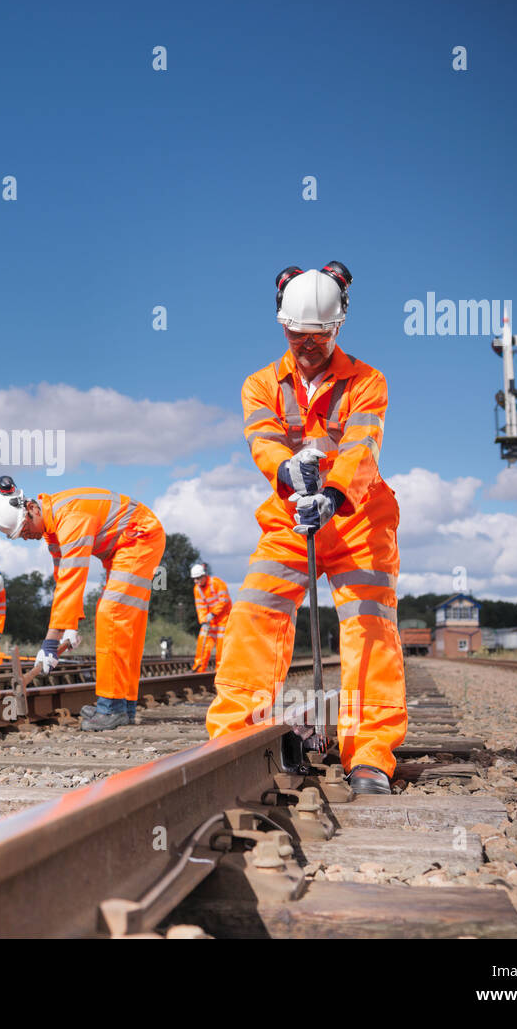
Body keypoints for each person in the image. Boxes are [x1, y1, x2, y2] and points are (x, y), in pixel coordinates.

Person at [205, 262, 405, 794]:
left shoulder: (367, 381)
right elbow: (263, 439)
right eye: (297, 335)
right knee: (256, 612)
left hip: (358, 517)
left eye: (317, 337)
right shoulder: (260, 384)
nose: (306, 346)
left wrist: (334, 495)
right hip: (292, 516)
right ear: (282, 324)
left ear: (337, 327)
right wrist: (287, 473)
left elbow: (363, 448)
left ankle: (369, 754)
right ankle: (235, 737)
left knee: (369, 625)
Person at [0, 477, 165, 731]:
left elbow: (73, 581)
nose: (28, 536)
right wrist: (69, 628)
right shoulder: (52, 530)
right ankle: (123, 706)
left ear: (32, 508)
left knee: (111, 614)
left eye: (26, 528)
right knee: (123, 625)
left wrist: (50, 641)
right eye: (21, 535)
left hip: (139, 537)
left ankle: (111, 707)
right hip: (125, 546)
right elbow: (62, 581)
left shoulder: (71, 519)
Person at [190, 562, 232, 673]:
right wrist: (203, 621)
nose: (196, 581)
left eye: (198, 578)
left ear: (204, 576)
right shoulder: (197, 589)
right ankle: (199, 668)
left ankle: (220, 670)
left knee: (221, 646)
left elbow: (224, 600)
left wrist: (213, 613)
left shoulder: (217, 583)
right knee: (203, 642)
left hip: (223, 619)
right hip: (210, 620)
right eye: (194, 579)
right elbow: (200, 606)